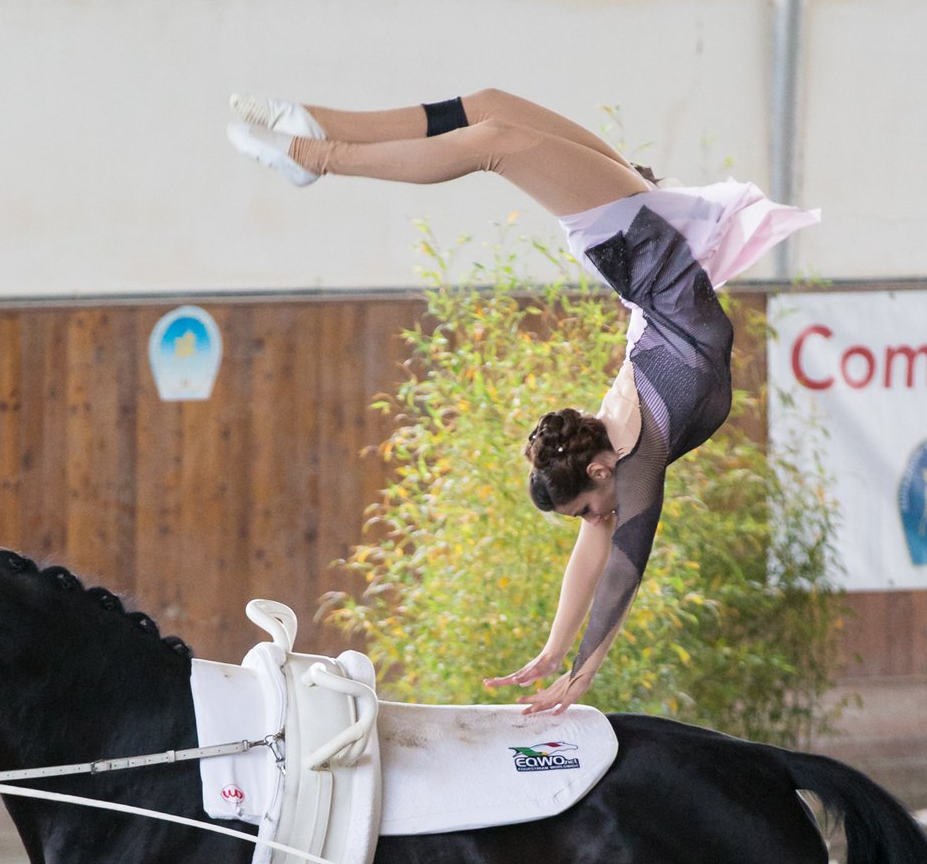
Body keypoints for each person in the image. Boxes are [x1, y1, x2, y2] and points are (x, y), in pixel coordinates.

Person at [228, 88, 817, 714]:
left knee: (495, 133)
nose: (596, 520)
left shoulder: (625, 433)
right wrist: (558, 653)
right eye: (588, 513)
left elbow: (616, 566)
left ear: (596, 471)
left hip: (633, 242)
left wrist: (580, 668)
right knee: (492, 122)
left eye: (588, 508)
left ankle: (318, 148)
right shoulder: (640, 450)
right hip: (646, 231)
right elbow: (610, 559)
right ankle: (317, 140)